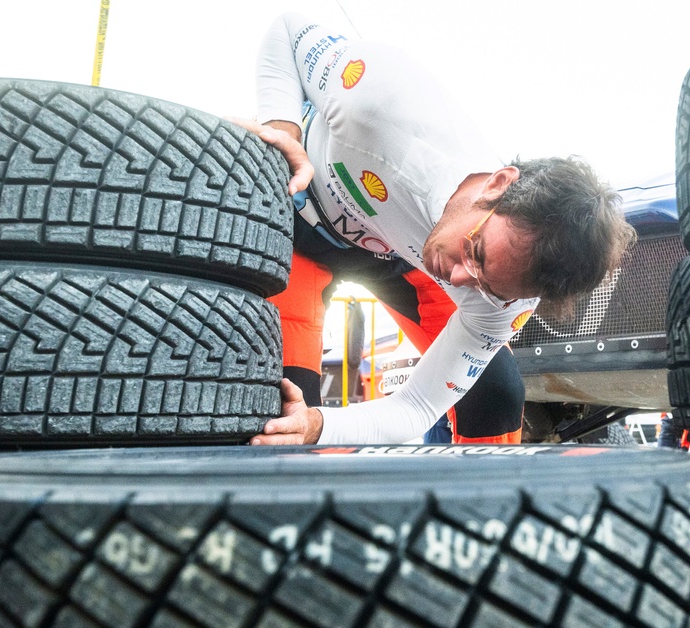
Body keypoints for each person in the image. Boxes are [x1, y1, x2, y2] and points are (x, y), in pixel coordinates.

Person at [242, 12, 633, 446]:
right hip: (302, 230)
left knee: (497, 392)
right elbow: (290, 28)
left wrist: (321, 426)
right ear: (497, 184)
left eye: (490, 288)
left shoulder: (507, 301)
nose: (458, 278)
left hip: (393, 255)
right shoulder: (380, 97)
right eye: (478, 252)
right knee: (276, 407)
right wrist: (281, 128)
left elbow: (416, 407)